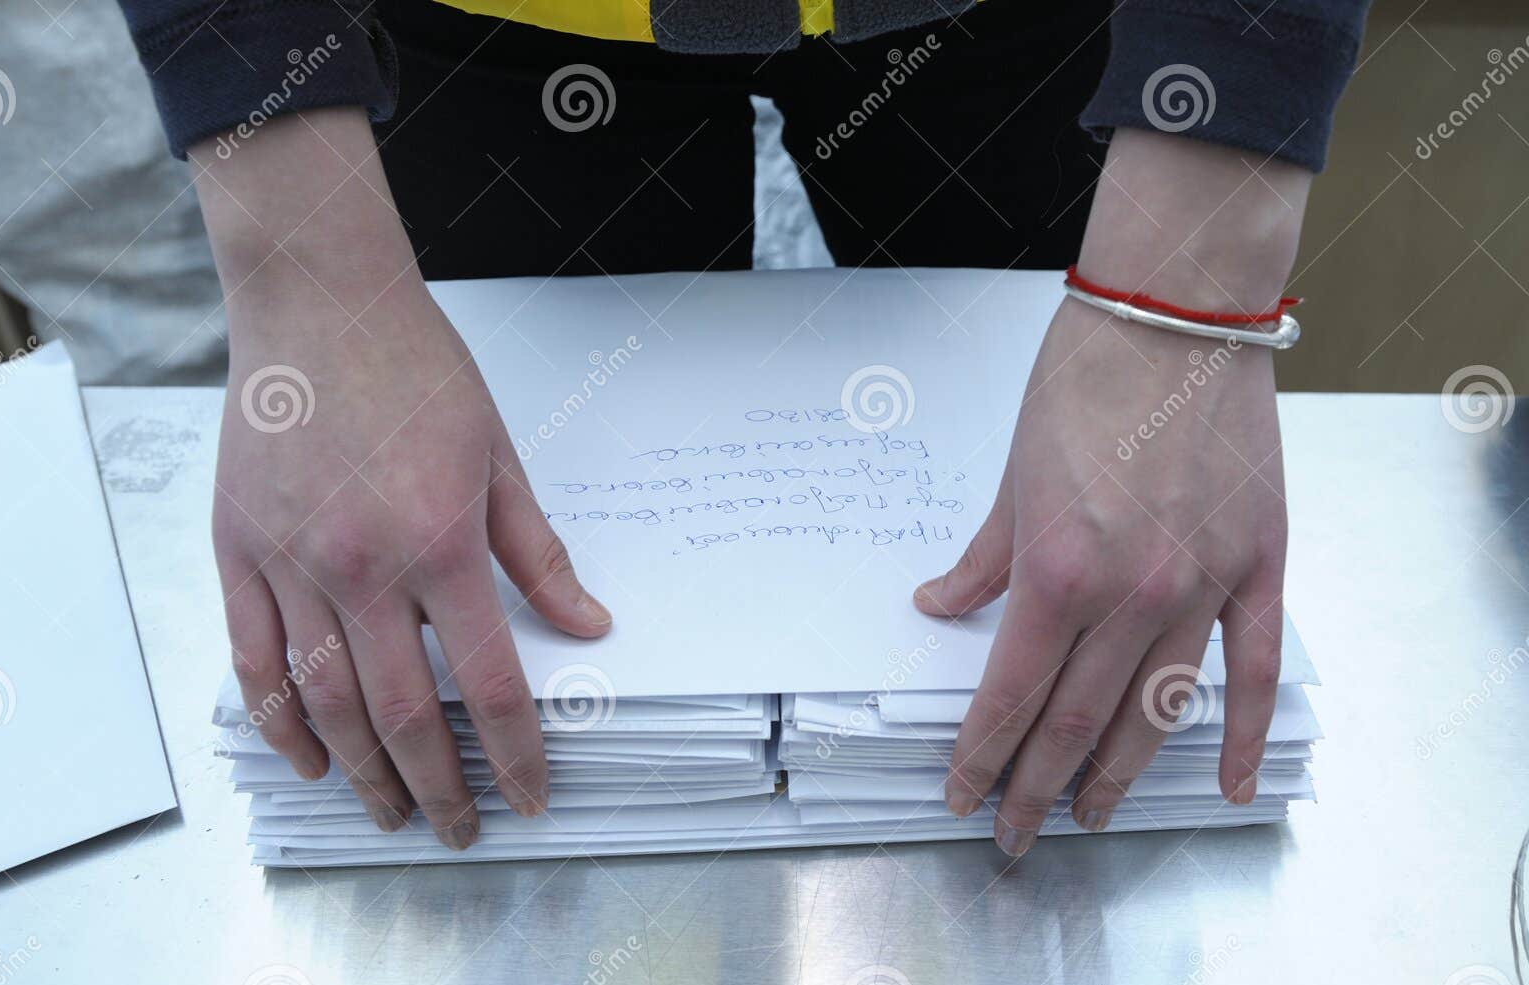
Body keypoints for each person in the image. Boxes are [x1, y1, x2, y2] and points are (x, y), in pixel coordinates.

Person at [114, 0, 1370, 856]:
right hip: (499, 34)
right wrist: (302, 267)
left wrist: (1184, 301)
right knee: (493, 686)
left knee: (1108, 624)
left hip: (1031, 30)